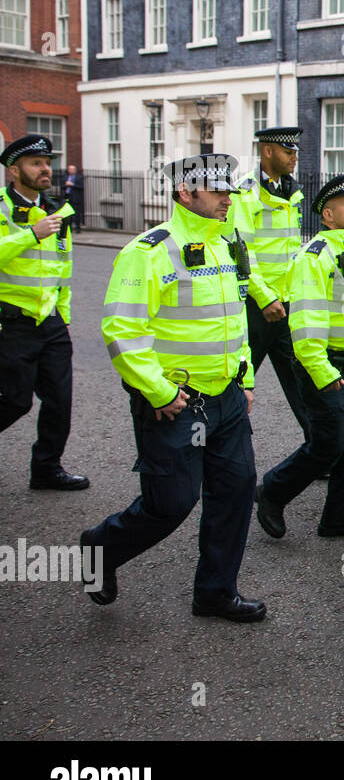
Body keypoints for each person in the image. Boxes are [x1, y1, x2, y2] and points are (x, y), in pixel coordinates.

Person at [81, 154, 265, 622]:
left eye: (230, 191)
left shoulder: (228, 245)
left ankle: (215, 593)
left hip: (225, 398)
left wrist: (243, 377)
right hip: (175, 404)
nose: (228, 199)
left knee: (236, 491)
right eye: (218, 191)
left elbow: (234, 321)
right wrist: (159, 392)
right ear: (186, 192)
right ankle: (100, 548)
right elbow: (123, 330)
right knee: (170, 505)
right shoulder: (148, 251)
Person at [255, 174, 344, 540]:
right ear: (327, 215)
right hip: (328, 365)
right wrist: (320, 369)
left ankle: (340, 519)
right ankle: (272, 491)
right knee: (330, 443)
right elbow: (307, 319)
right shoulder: (314, 256)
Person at [0, 134, 87, 490]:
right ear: (14, 169)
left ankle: (46, 469)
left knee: (59, 401)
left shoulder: (58, 212)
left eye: (47, 163)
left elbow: (62, 269)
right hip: (11, 321)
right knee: (15, 401)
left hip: (51, 323)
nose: (44, 170)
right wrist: (30, 235)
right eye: (36, 163)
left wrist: (62, 316)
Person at [229, 127, 309, 440]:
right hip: (256, 306)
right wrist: (264, 297)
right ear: (267, 151)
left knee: (302, 381)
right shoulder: (245, 193)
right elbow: (242, 252)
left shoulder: (292, 191)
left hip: (286, 304)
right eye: (288, 151)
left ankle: (319, 452)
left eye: (295, 151)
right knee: (238, 381)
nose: (294, 157)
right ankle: (226, 450)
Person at [63, 165, 83, 232]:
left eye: (72, 169)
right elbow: (61, 185)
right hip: (68, 196)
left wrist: (72, 185)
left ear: (75, 170)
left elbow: (81, 187)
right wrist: (65, 185)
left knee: (77, 213)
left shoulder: (79, 177)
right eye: (69, 169)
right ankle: (69, 228)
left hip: (76, 198)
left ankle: (78, 227)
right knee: (68, 213)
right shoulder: (66, 177)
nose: (70, 171)